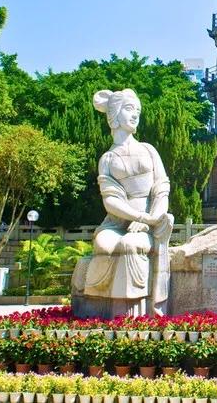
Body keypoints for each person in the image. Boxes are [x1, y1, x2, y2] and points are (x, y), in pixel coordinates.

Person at [75, 89, 174, 315]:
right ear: (114, 115)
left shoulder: (148, 150)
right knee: (105, 246)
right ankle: (95, 306)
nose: (135, 115)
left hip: (150, 222)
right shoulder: (107, 159)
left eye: (138, 111)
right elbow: (111, 201)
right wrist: (138, 217)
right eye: (130, 109)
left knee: (131, 245)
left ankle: (131, 315)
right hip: (117, 222)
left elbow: (162, 190)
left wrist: (151, 219)